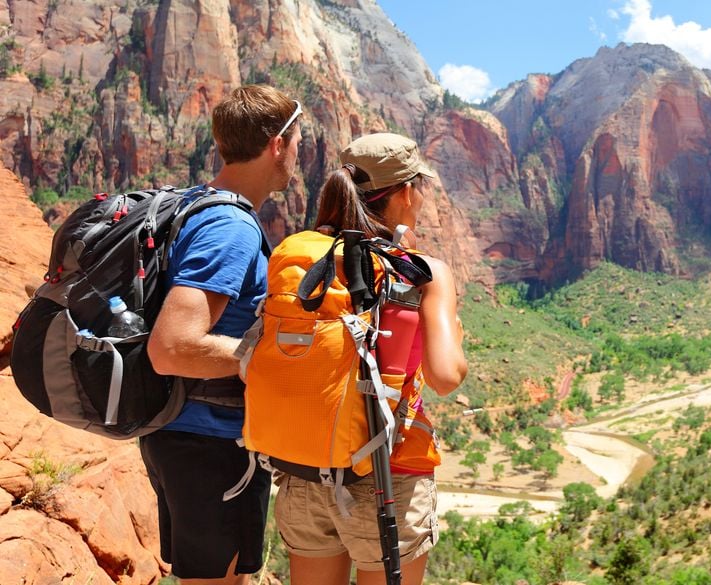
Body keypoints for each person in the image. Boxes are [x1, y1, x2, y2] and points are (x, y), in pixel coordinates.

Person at [274, 133, 468, 585]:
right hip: (389, 476)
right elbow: (445, 376)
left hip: (307, 471)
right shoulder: (423, 271)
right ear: (405, 193)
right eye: (420, 187)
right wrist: (455, 336)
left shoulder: (303, 260)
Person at [143, 85, 303, 584]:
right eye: (297, 142)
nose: (299, 155)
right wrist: (273, 357)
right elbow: (173, 347)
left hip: (186, 436)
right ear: (277, 144)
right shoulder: (231, 228)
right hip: (208, 442)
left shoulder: (199, 204)